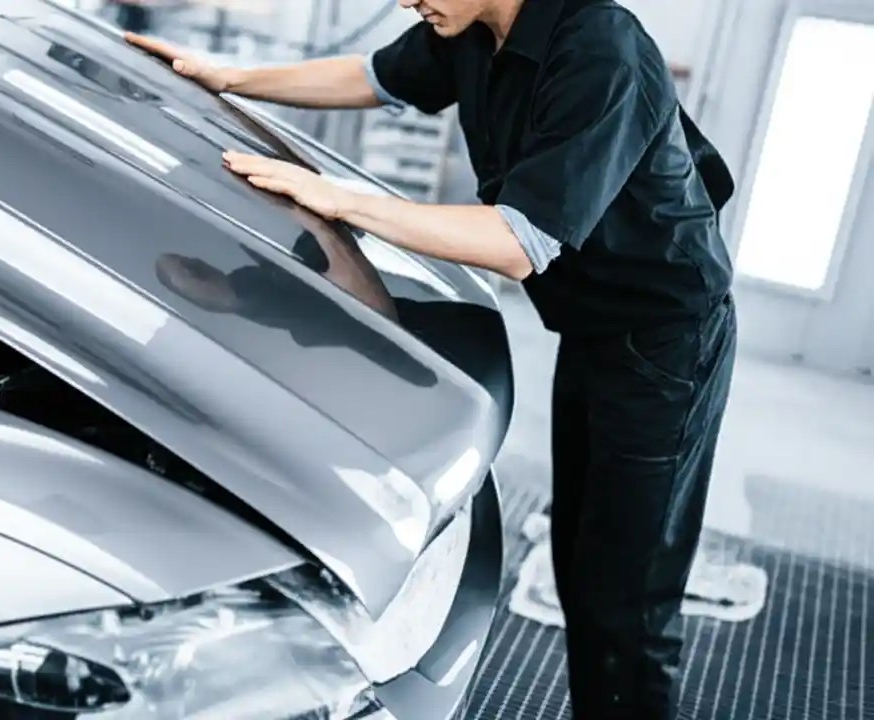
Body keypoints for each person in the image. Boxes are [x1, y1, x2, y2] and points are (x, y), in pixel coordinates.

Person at [128, 1, 738, 719]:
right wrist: (230, 78)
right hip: (593, 326)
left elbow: (520, 241)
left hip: (667, 338)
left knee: (626, 601)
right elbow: (370, 76)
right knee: (582, 573)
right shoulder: (474, 28)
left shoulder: (601, 47)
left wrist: (338, 200)